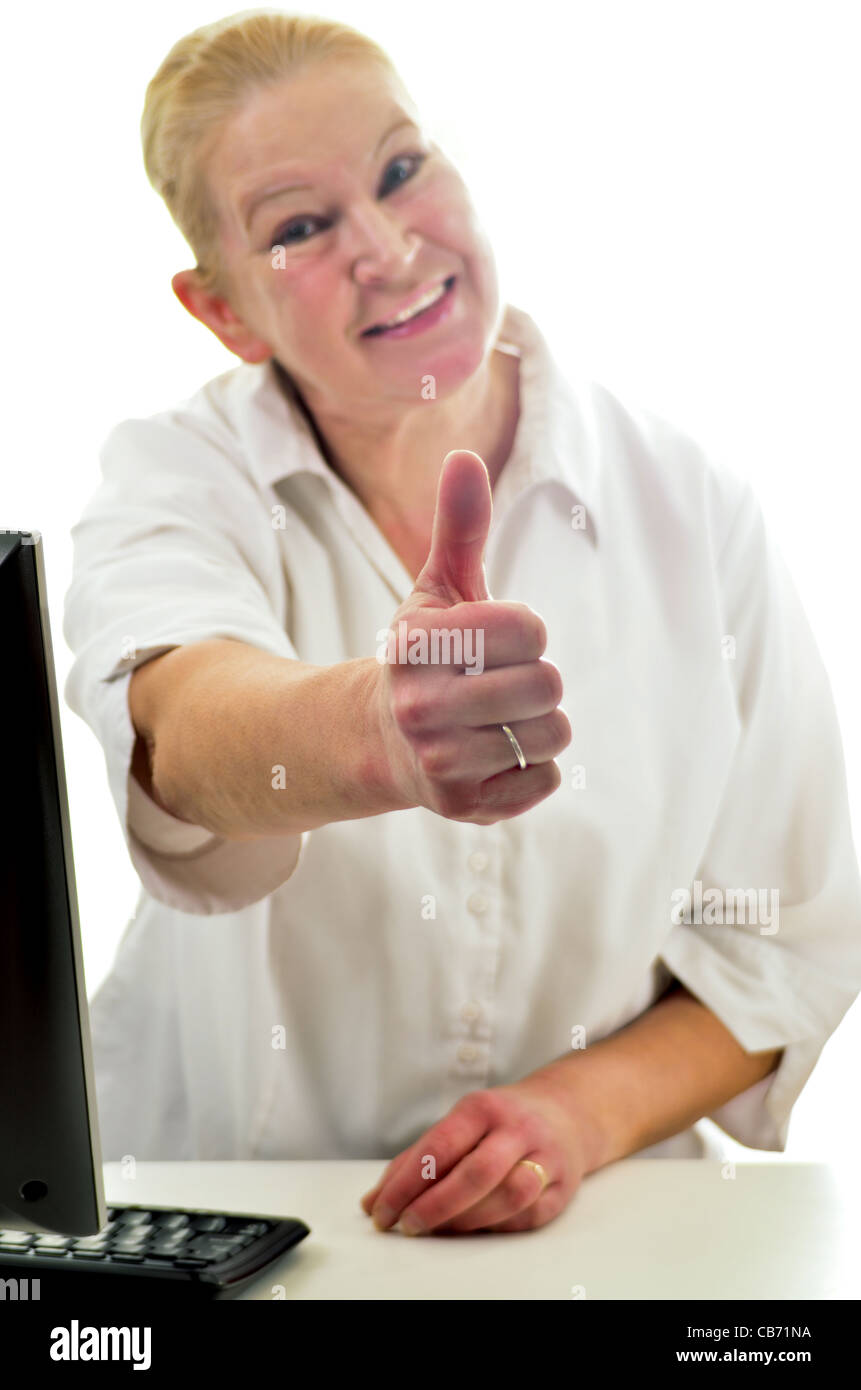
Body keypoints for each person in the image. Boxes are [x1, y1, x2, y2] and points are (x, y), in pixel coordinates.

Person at [64, 9, 861, 1237]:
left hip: (600, 1237)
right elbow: (177, 722)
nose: (386, 246)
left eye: (399, 168)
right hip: (225, 1221)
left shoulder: (692, 503)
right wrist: (372, 734)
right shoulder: (177, 475)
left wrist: (574, 1113)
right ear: (222, 311)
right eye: (300, 227)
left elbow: (785, 938)